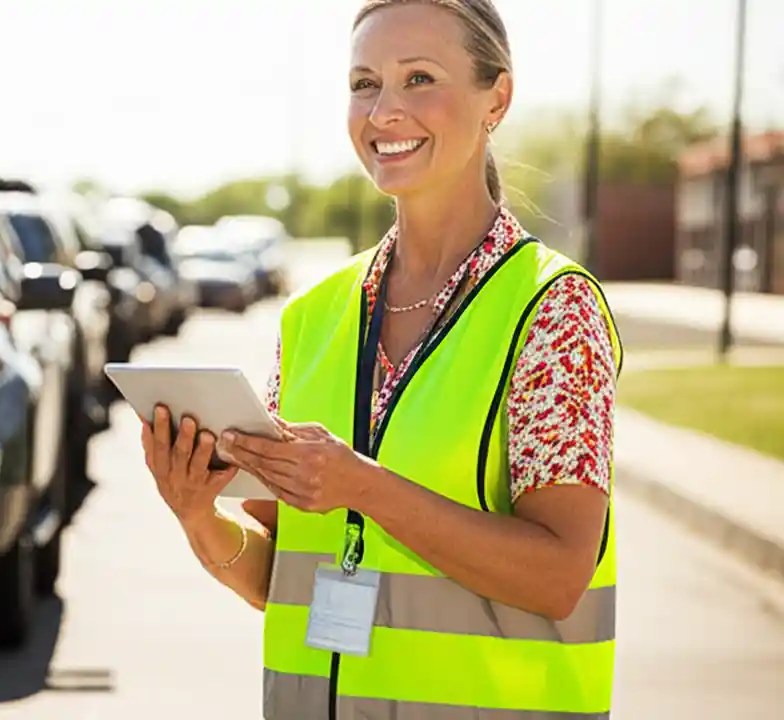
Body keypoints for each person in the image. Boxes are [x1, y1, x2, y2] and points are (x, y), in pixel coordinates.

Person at [141, 1, 622, 717]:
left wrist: (362, 486)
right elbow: (283, 579)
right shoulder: (312, 317)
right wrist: (198, 516)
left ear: (498, 98)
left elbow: (559, 576)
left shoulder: (552, 309)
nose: (384, 111)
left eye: (419, 78)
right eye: (365, 84)